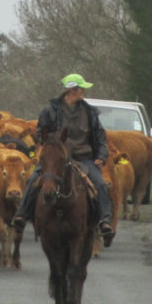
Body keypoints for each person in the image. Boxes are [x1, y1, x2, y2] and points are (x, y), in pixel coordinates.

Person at [11, 73, 115, 246]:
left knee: (100, 184)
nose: (84, 92)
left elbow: (100, 138)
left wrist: (101, 156)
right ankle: (22, 215)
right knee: (34, 179)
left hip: (84, 157)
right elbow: (40, 133)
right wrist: (53, 141)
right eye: (82, 89)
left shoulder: (90, 112)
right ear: (72, 90)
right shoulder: (50, 111)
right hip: (56, 157)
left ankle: (104, 221)